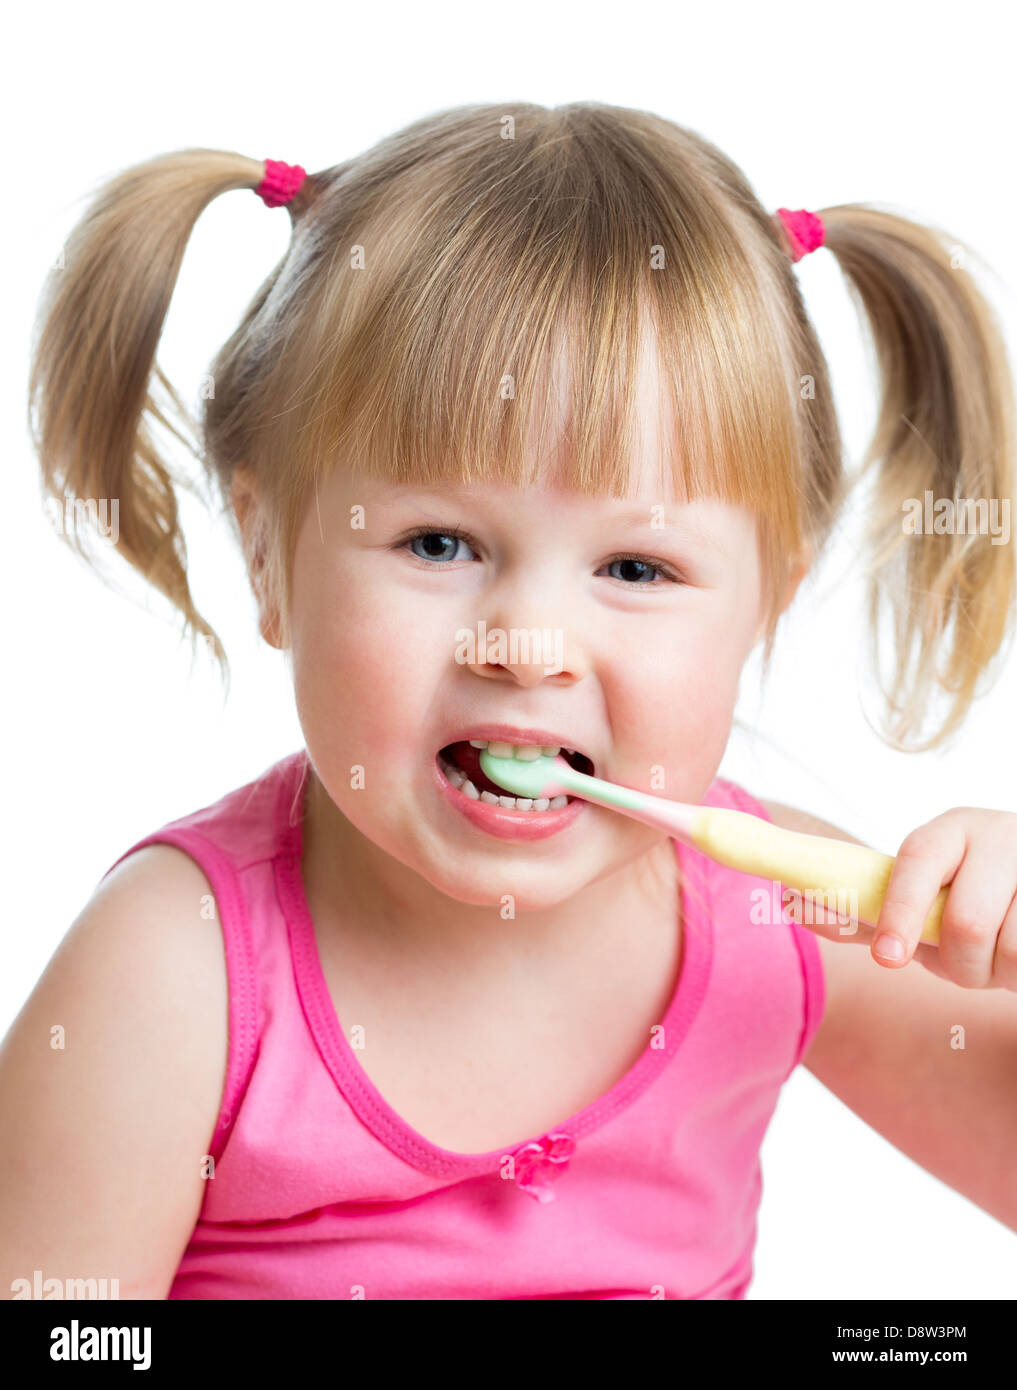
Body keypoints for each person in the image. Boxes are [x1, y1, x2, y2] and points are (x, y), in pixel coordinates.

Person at [4, 102, 1017, 1300]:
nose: (529, 646)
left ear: (770, 605)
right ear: (269, 553)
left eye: (636, 569)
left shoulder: (784, 907)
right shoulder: (176, 973)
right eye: (438, 543)